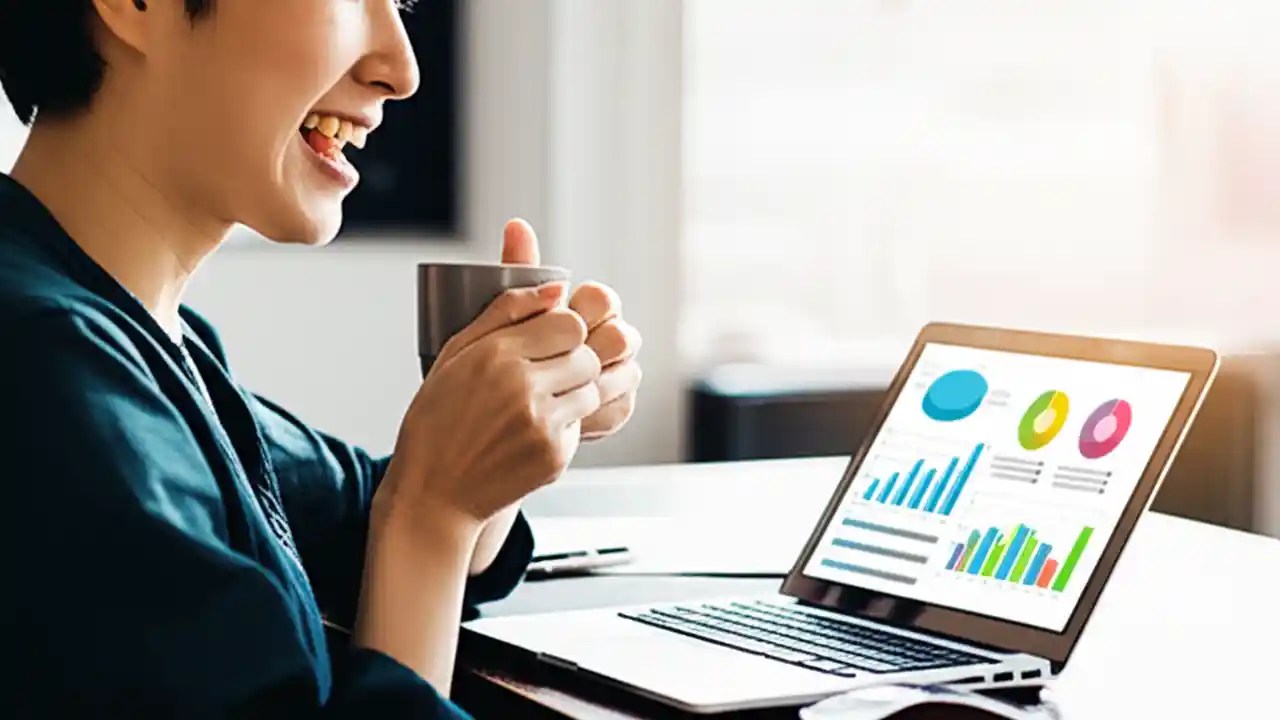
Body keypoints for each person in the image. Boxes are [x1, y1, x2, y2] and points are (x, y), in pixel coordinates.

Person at [0, 0, 643, 717]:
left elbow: (357, 521)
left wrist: (520, 410)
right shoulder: (46, 371)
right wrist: (434, 516)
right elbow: (410, 518)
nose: (402, 70)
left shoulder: (135, 341)